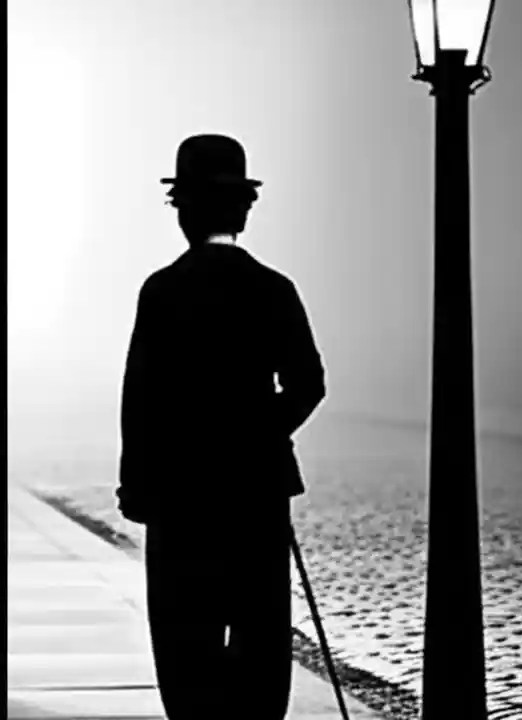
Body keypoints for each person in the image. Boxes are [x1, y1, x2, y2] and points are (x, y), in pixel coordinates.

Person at [117, 133, 326, 719]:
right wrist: (262, 431)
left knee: (185, 648)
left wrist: (136, 483)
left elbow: (140, 399)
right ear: (242, 210)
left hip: (179, 494)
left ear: (183, 212)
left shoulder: (162, 292)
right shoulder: (273, 289)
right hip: (256, 492)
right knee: (260, 641)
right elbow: (309, 383)